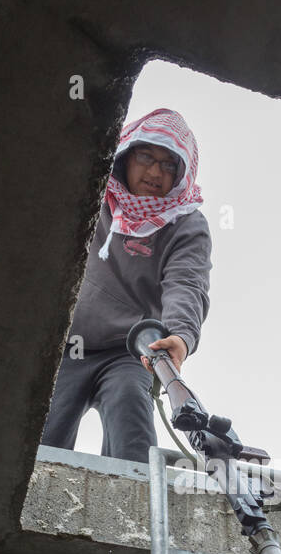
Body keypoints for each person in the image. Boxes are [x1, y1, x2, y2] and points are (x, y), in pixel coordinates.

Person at [42, 108, 212, 464]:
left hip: (130, 351)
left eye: (168, 165)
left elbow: (187, 283)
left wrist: (181, 337)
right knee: (41, 433)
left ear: (181, 173)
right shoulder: (92, 192)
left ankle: (134, 501)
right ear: (125, 155)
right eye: (146, 156)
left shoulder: (186, 224)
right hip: (66, 340)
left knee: (130, 413)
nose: (154, 172)